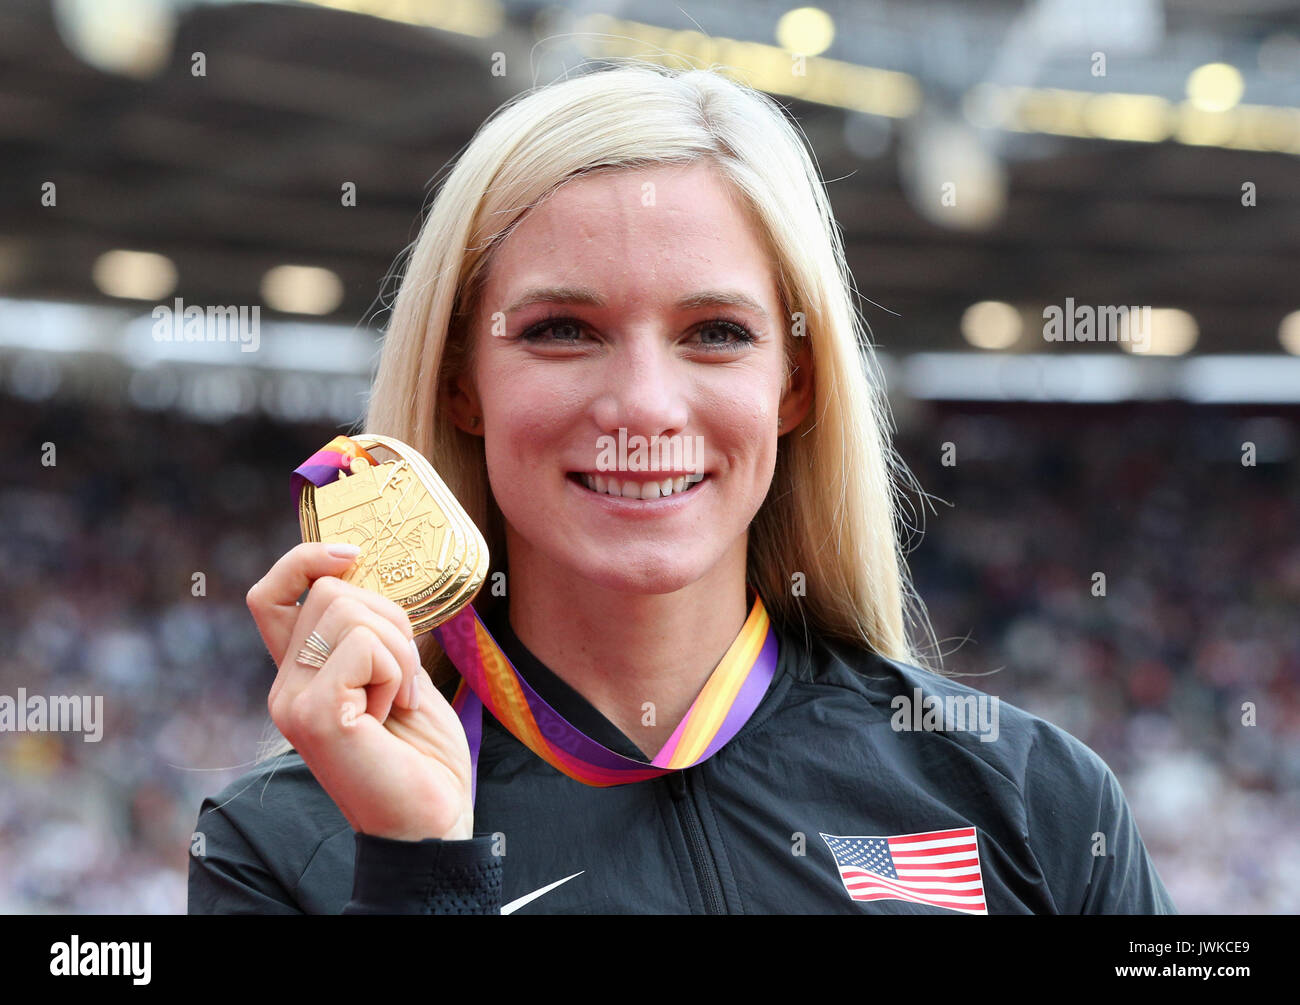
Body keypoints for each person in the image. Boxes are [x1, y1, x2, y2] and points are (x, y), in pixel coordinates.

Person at [188, 60, 1175, 915]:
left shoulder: (1031, 798)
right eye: (561, 330)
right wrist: (418, 871)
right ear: (460, 382)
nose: (645, 406)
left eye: (715, 333)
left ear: (795, 383)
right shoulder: (284, 844)